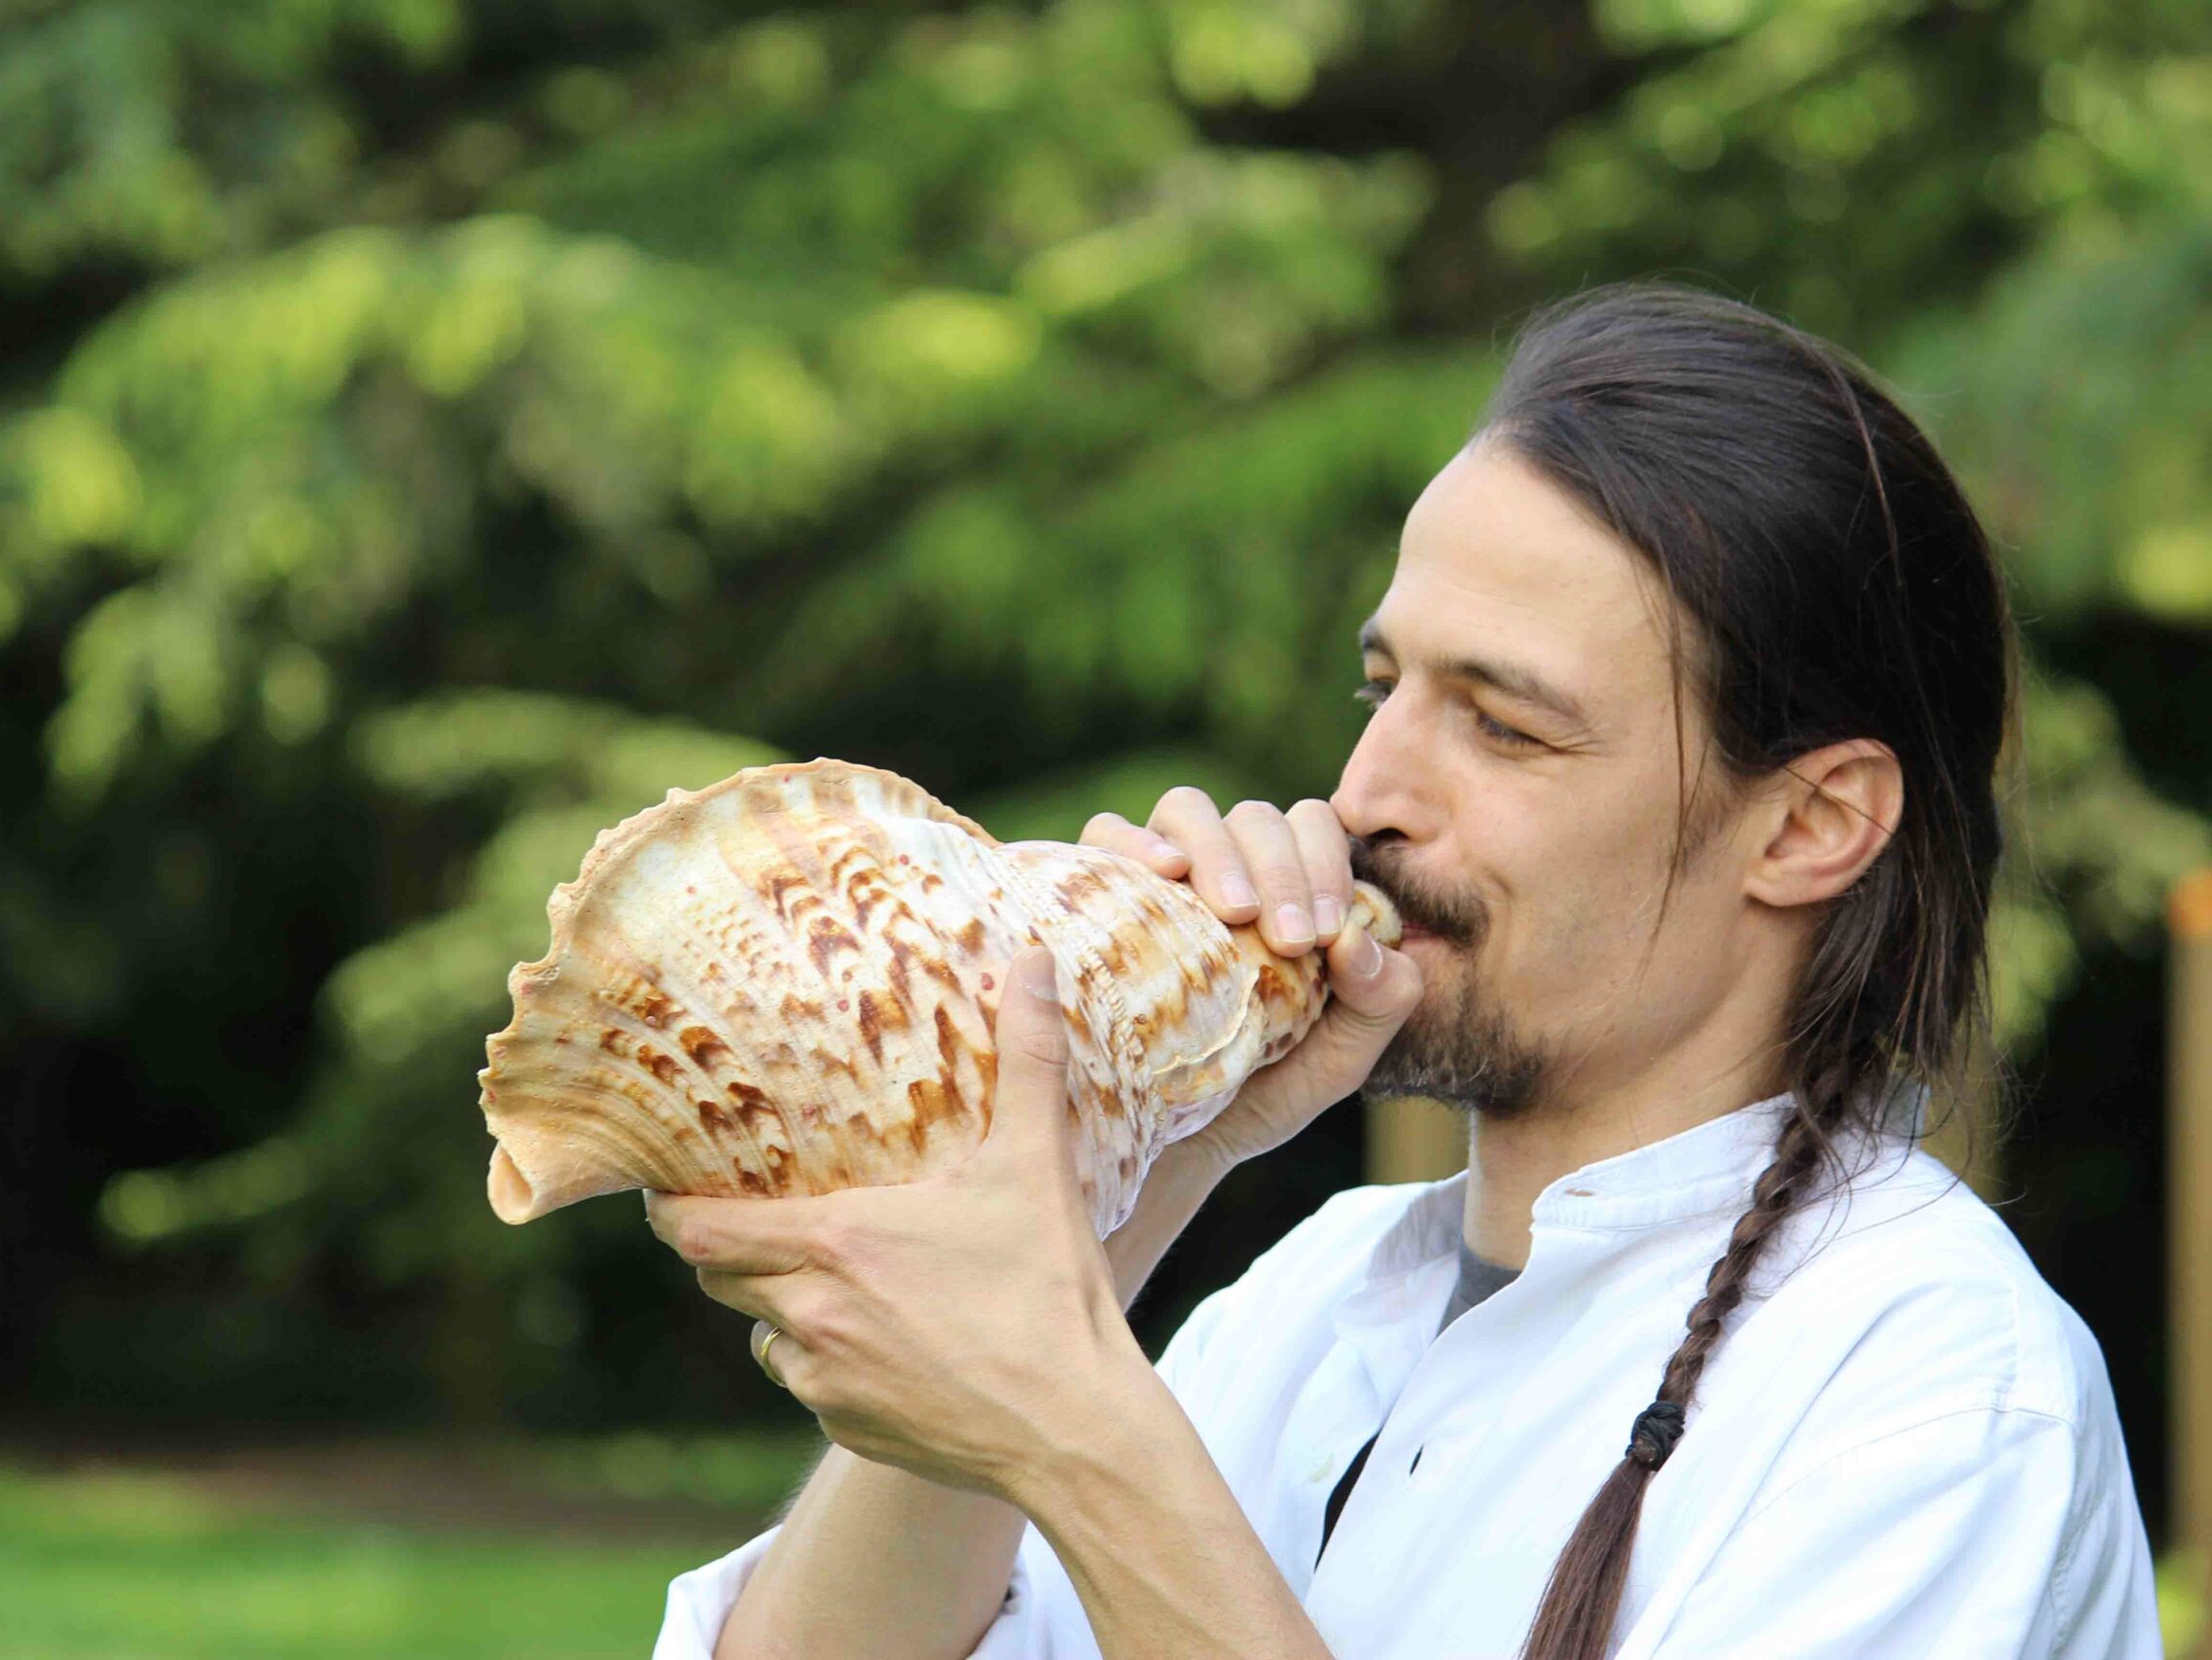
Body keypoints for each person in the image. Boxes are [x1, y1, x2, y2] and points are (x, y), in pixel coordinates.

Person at [641, 283, 2161, 1658]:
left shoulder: (1935, 1393)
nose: (1366, 792)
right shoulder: (1311, 1301)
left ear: (1812, 824)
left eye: (1503, 726)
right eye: (1385, 689)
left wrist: (1078, 1437)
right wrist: (1129, 1166)